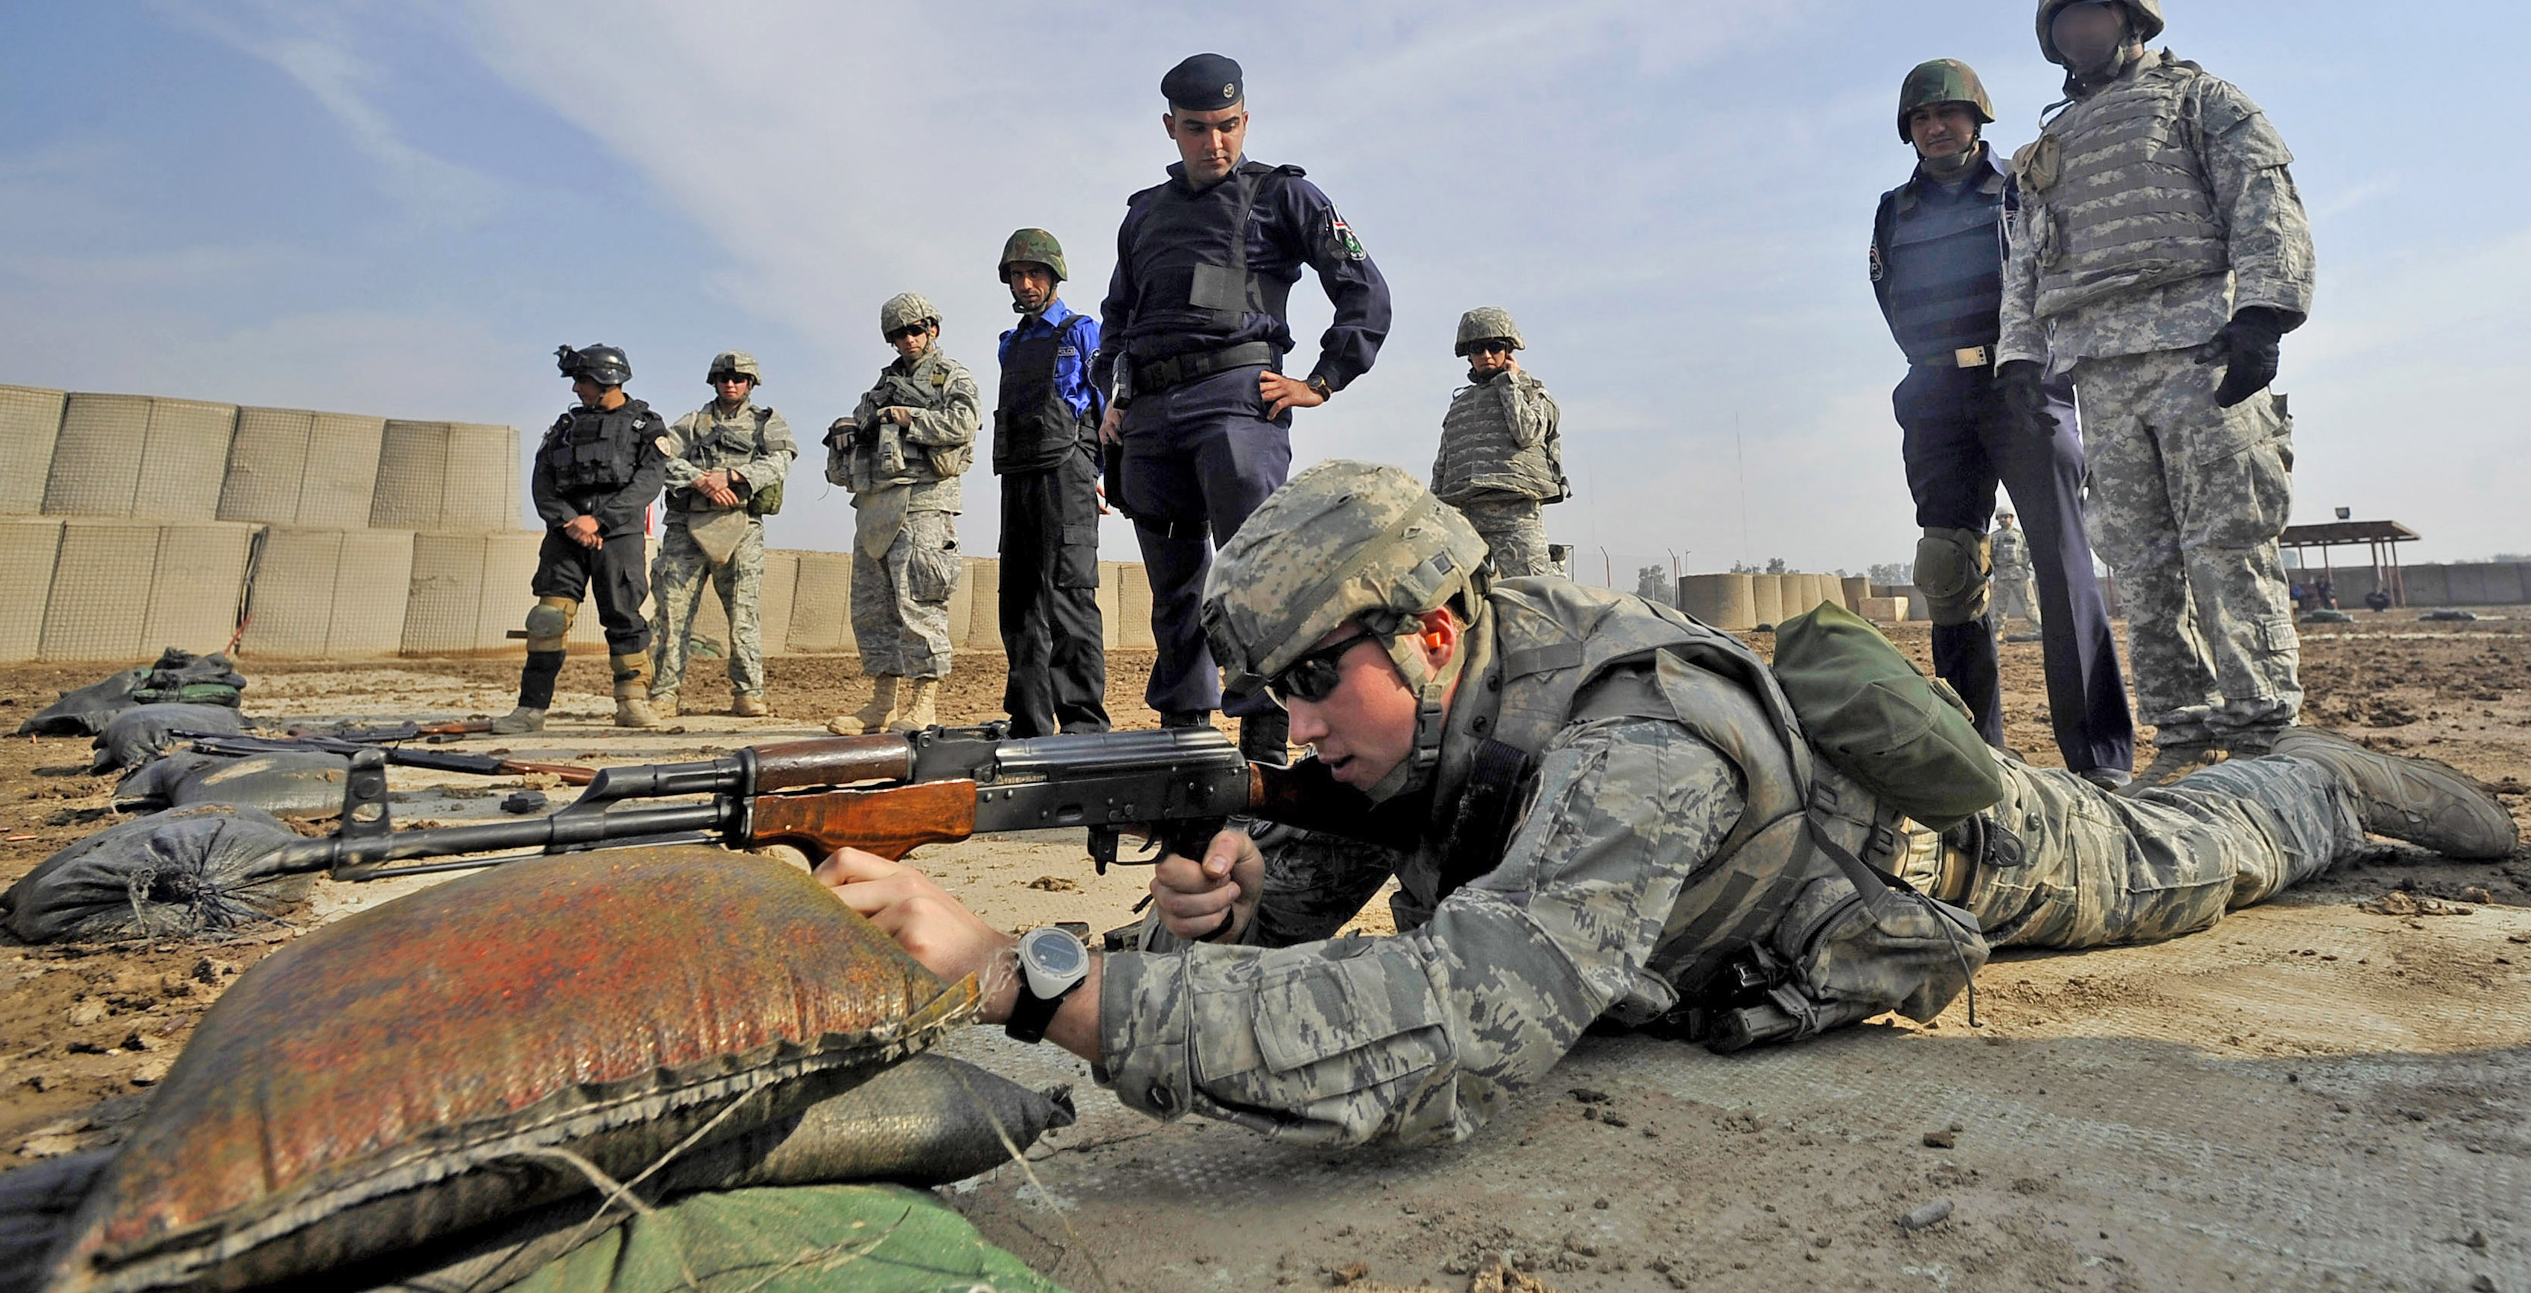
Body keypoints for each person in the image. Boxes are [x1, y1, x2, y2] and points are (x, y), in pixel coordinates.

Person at [822, 460, 2513, 1147]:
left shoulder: (1638, 735)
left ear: (1426, 627)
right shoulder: (1406, 713)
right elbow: (1329, 876)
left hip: (1955, 854)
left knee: (2210, 846)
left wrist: (1030, 979)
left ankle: (2341, 780)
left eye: (1312, 686)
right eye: (1267, 699)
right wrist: (1225, 902)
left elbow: (1453, 1025)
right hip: (1718, 923)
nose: (1292, 726)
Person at [1997, 0, 2316, 788]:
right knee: (2141, 564)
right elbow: (2027, 263)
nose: (2079, 36)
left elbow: (2263, 196)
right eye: (2065, 27)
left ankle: (2261, 733)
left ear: (2134, 20)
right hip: (2101, 373)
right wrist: (2020, 357)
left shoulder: (2199, 101)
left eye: (2093, 17)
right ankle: (2181, 736)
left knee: (2228, 546)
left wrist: (2263, 313)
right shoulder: (2051, 148)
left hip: (2200, 356)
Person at [1093, 51, 1392, 765]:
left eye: (1227, 125)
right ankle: (1185, 740)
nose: (1215, 142)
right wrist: (1114, 394)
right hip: (1152, 417)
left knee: (1255, 576)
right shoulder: (1142, 218)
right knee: (1174, 585)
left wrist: (1321, 379)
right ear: (1171, 127)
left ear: (1245, 120)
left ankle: (1265, 741)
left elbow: (1364, 288)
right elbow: (1115, 318)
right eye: (1197, 128)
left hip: (1236, 403)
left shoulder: (1284, 196)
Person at [1871, 58, 2133, 789]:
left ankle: (2099, 756)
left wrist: (2022, 362)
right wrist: (1936, 370)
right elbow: (1888, 295)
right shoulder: (1895, 210)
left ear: (1978, 118)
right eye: (1921, 118)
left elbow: (2059, 273)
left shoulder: (2022, 188)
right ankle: (1976, 753)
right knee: (1950, 572)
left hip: (2022, 385)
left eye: (1949, 114)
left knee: (2061, 558)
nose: (1935, 126)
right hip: (1935, 399)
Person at [822, 294, 982, 736]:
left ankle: (924, 704)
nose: (908, 339)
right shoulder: (878, 389)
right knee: (873, 610)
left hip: (924, 501)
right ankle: (881, 703)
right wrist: (846, 429)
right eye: (898, 334)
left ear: (933, 329)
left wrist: (908, 416)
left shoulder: (952, 377)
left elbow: (963, 423)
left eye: (916, 329)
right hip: (876, 505)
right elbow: (861, 425)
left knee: (920, 605)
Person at [498, 344, 667, 734]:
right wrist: (569, 521)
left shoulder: (646, 426)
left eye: (582, 380)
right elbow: (542, 481)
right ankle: (530, 709)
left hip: (618, 537)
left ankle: (632, 702)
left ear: (608, 379)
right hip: (566, 537)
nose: (576, 389)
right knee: (547, 619)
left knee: (624, 618)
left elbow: (648, 482)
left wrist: (601, 521)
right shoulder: (564, 429)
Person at [992, 229, 1111, 738]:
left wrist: (1105, 474)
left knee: (1069, 596)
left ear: (1054, 277)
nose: (1026, 283)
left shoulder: (1083, 331)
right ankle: (1030, 725)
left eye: (1034, 274)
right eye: (1017, 276)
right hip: (1017, 475)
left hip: (1069, 476)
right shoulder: (1010, 344)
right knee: (1018, 602)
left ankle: (1084, 728)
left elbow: (1106, 408)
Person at [645, 350, 797, 720]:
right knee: (672, 613)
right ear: (713, 382)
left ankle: (748, 693)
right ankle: (664, 693)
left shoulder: (766, 422)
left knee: (743, 615)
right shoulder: (692, 423)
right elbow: (659, 456)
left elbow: (782, 460)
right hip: (687, 527)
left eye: (739, 378)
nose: (731, 384)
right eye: (724, 378)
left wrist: (731, 477)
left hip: (741, 525)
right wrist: (700, 480)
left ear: (751, 384)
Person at [1430, 306, 1565, 578]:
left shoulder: (1530, 391)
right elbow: (1443, 464)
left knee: (1539, 596)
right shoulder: (1460, 405)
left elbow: (1527, 432)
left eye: (1494, 346)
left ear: (1509, 350)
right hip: (1465, 516)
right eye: (1478, 348)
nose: (1486, 355)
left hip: (1515, 515)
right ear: (1468, 355)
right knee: (1453, 602)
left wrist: (1509, 384)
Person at [1988, 509, 2042, 640]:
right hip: (2001, 575)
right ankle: (1998, 631)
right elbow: (1989, 554)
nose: (2003, 519)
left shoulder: (2019, 535)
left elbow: (2027, 551)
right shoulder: (1993, 537)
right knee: (1999, 607)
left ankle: (2039, 629)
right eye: (2000, 517)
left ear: (2012, 518)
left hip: (2020, 575)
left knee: (2029, 604)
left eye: (2006, 517)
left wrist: (2024, 565)